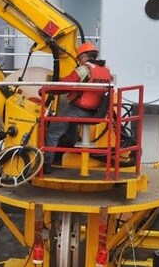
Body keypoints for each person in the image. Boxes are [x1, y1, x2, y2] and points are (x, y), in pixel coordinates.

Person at [42, 41, 113, 173]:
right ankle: (64, 150)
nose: (80, 62)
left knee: (52, 132)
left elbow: (64, 84)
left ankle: (45, 165)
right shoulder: (106, 70)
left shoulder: (84, 69)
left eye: (80, 59)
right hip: (95, 111)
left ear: (85, 57)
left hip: (79, 110)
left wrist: (46, 89)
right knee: (70, 129)